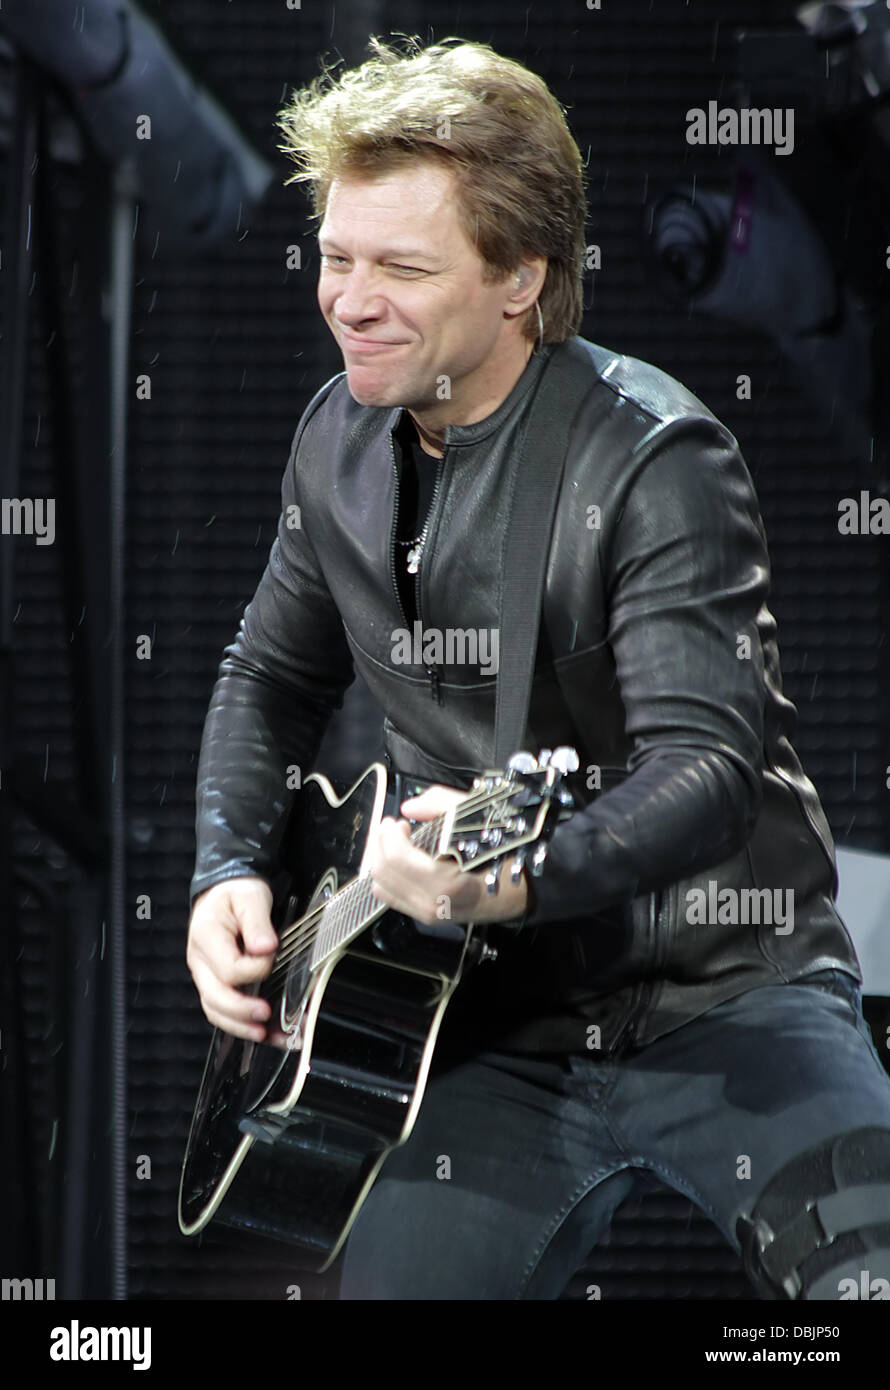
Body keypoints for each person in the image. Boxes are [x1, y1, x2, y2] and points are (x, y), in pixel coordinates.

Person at [185, 35, 890, 1300]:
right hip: (483, 1025)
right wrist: (227, 866)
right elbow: (265, 675)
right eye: (336, 258)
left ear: (521, 277)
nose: (349, 301)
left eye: (401, 267)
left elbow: (706, 771)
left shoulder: (653, 456)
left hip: (725, 996)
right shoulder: (333, 443)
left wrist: (516, 878)